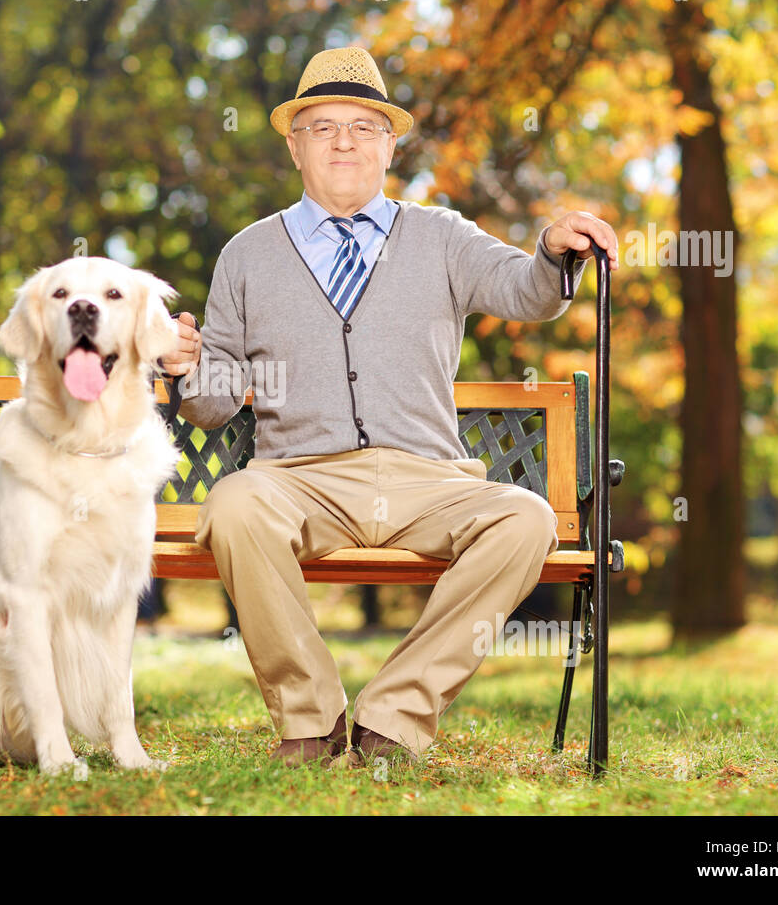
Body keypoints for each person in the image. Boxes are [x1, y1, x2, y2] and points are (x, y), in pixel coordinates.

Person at [158, 45, 619, 768]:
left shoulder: (442, 236)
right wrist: (184, 367)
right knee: (236, 503)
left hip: (430, 479)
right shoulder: (246, 255)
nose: (344, 140)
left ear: (389, 145)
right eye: (323, 126)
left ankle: (393, 717)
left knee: (527, 517)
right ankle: (309, 720)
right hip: (300, 479)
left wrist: (553, 250)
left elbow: (525, 291)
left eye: (364, 126)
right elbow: (214, 404)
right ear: (295, 145)